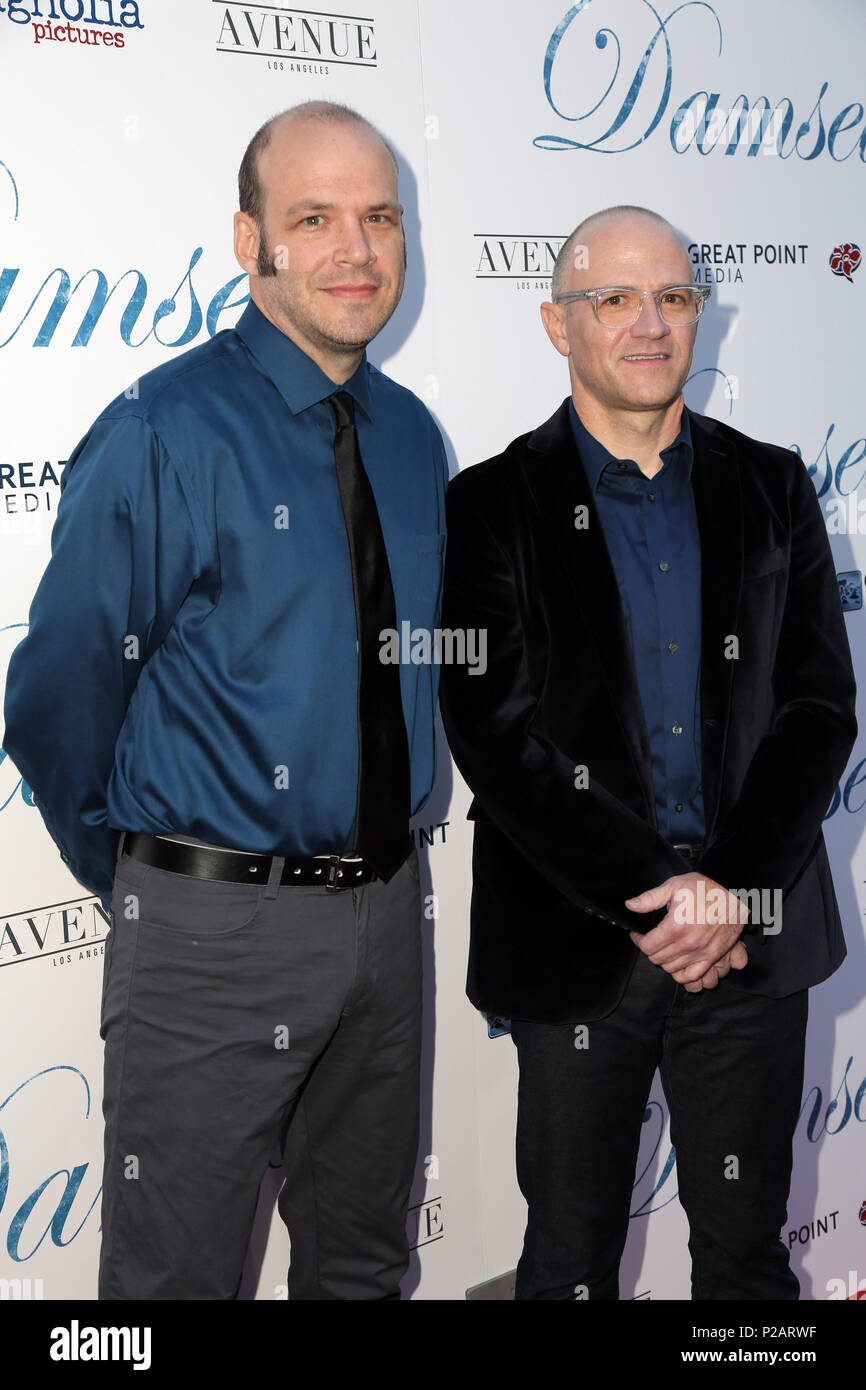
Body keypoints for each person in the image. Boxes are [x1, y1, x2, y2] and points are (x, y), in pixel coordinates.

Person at [3, 100, 448, 1300]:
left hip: (387, 920)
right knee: (173, 1286)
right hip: (214, 938)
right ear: (249, 240)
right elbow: (56, 697)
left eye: (380, 219)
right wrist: (152, 878)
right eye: (315, 218)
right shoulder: (165, 428)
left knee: (361, 1264)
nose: (356, 251)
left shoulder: (411, 438)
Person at [439, 205, 856, 1300]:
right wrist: (656, 895)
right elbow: (490, 725)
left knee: (743, 1259)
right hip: (578, 945)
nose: (647, 324)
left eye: (671, 297)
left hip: (747, 945)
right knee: (568, 1261)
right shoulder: (490, 503)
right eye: (611, 298)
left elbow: (816, 707)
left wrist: (726, 891)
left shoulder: (770, 484)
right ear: (554, 322)